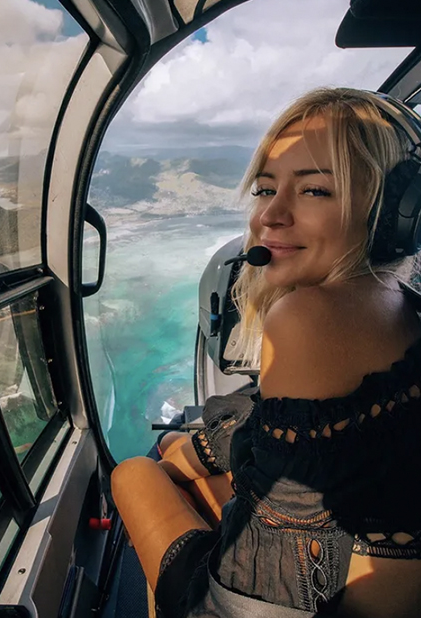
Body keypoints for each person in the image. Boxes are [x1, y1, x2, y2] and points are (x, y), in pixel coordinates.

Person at [111, 88, 421, 618]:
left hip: (294, 593)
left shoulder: (309, 318)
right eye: (265, 189)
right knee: (179, 460)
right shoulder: (404, 301)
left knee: (134, 474)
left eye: (315, 190)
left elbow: (265, 587)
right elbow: (324, 437)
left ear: (399, 211)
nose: (270, 217)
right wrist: (202, 454)